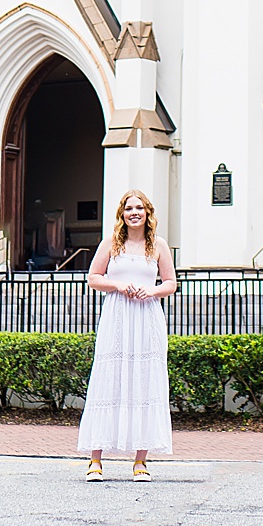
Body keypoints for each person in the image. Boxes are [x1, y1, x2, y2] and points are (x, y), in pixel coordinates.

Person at [78, 189, 176, 482]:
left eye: (140, 208)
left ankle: (140, 462)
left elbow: (170, 282)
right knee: (109, 379)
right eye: (129, 208)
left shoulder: (158, 245)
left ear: (148, 213)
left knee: (144, 384)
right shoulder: (111, 243)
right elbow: (93, 278)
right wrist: (118, 286)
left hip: (147, 317)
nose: (134, 213)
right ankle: (95, 460)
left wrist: (152, 290)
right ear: (122, 214)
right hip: (117, 316)